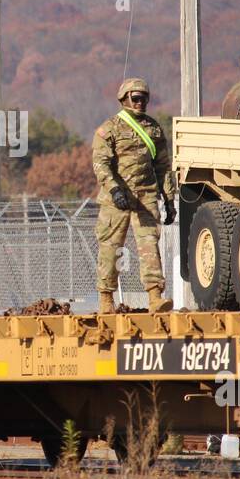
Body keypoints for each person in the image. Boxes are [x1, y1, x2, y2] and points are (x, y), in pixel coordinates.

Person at [92, 77, 177, 314]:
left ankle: (155, 297)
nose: (140, 103)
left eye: (144, 99)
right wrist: (115, 188)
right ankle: (106, 299)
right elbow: (100, 163)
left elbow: (162, 166)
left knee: (150, 246)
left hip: (146, 196)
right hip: (115, 199)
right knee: (111, 248)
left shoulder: (154, 129)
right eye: (136, 98)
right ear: (124, 99)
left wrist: (169, 199)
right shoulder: (109, 128)